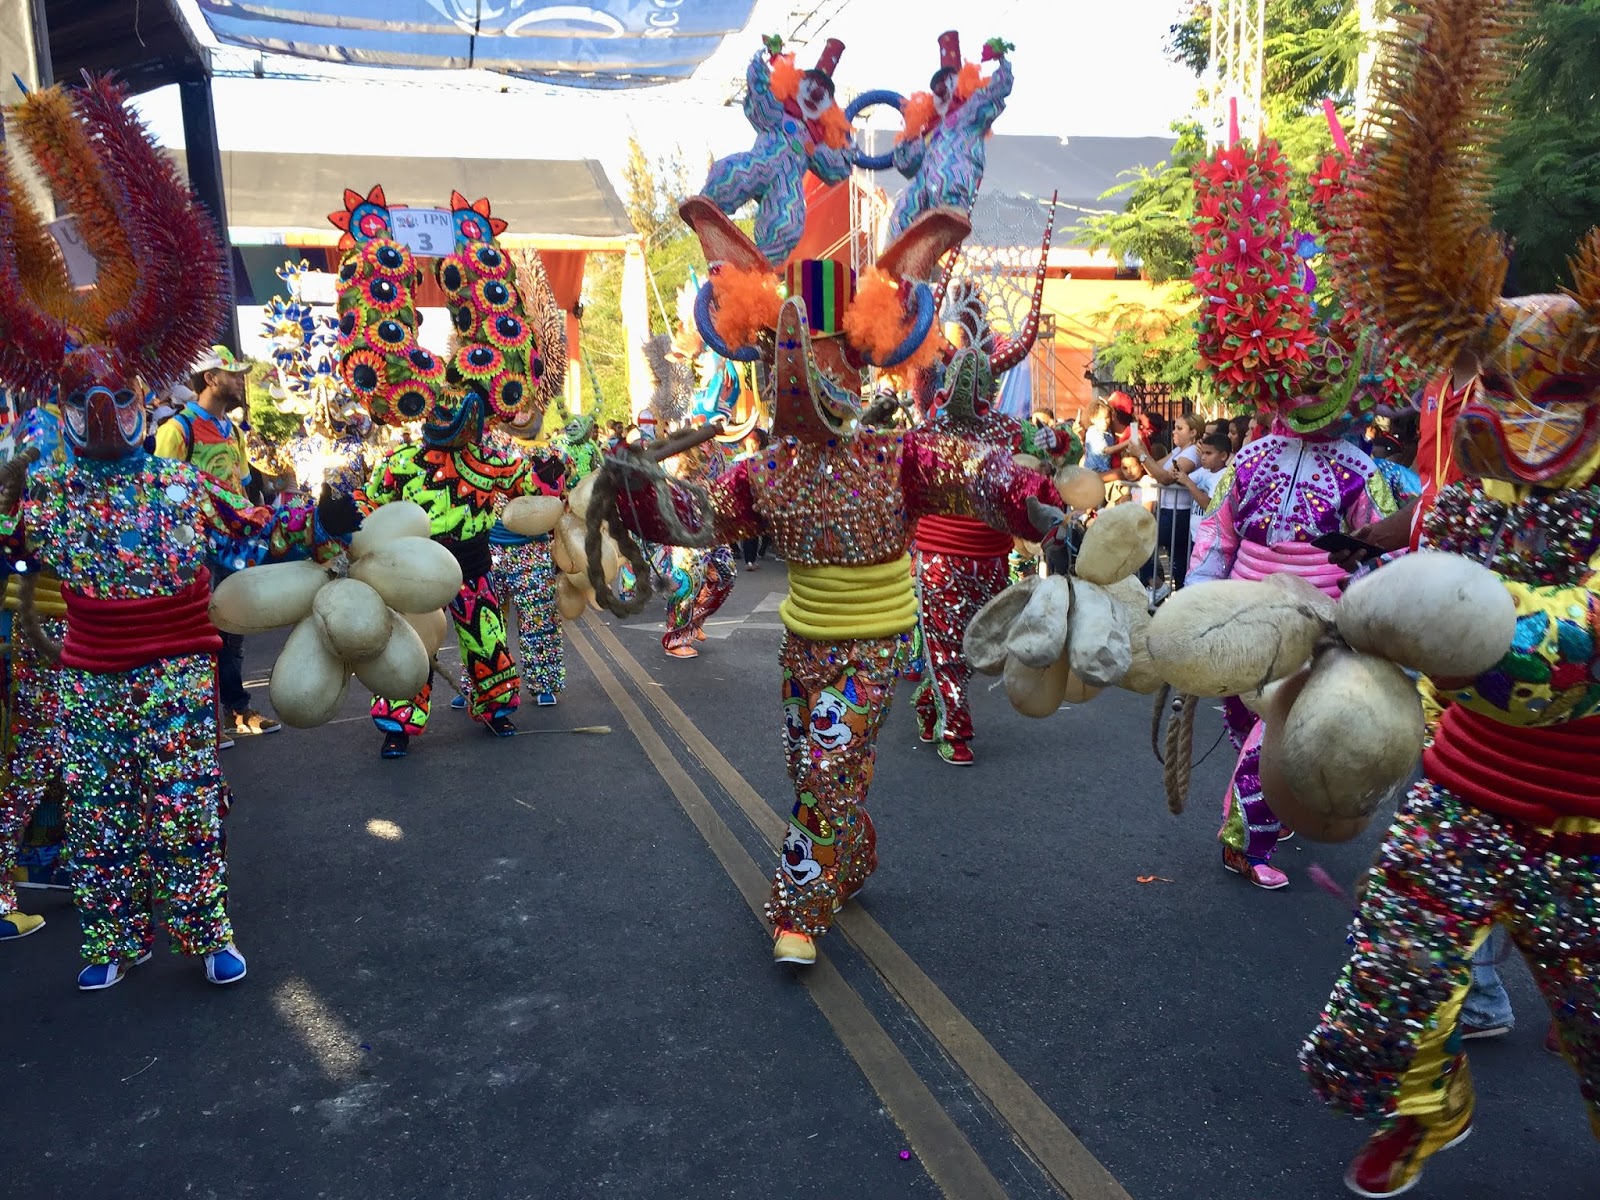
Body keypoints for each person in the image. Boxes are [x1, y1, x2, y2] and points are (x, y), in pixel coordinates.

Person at [594, 198, 1067, 967]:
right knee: (816, 768)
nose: (798, 375)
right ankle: (851, 855)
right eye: (788, 359)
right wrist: (636, 489)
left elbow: (973, 471)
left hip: (873, 645)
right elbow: (702, 517)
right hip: (803, 642)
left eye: (815, 356)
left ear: (853, 359)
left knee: (825, 764)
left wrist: (1027, 497)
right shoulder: (764, 470)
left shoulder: (896, 458)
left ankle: (796, 911)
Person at [0, 75, 357, 987]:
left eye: (117, 394)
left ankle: (207, 933)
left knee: (187, 803)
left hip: (169, 670)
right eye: (85, 399)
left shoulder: (176, 480)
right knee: (102, 811)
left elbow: (254, 527)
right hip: (88, 678)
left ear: (146, 388)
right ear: (62, 404)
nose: (106, 412)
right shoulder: (41, 489)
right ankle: (116, 943)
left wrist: (319, 520)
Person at [331, 188, 567, 759]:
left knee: (486, 637)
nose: (450, 413)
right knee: (409, 646)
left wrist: (552, 477)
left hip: (473, 566)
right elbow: (365, 504)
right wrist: (340, 516)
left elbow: (528, 489)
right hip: (412, 573)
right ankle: (398, 726)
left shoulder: (490, 462)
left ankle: (497, 706)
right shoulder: (400, 465)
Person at [155, 346, 283, 741]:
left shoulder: (233, 432)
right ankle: (204, 718)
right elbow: (159, 493)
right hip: (193, 549)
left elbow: (244, 491)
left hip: (234, 548)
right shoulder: (177, 430)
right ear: (210, 378)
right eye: (233, 373)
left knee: (233, 629)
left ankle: (235, 712)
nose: (241, 380)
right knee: (199, 633)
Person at [701, 36, 852, 264]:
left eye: (822, 94)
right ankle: (712, 202)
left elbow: (837, 167)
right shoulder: (778, 111)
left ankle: (766, 257)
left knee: (788, 221)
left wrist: (841, 143)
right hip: (763, 162)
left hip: (787, 181)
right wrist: (762, 63)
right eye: (810, 86)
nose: (815, 94)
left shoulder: (817, 140)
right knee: (736, 173)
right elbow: (760, 96)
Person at [888, 32, 1013, 238]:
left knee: (947, 177)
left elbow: (999, 89)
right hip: (925, 189)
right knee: (903, 210)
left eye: (949, 83)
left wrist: (1001, 61)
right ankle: (899, 247)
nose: (943, 91)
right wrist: (908, 135)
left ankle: (951, 208)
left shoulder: (970, 111)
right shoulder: (929, 133)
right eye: (938, 88)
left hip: (952, 186)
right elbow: (906, 163)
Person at [1129, 412, 1202, 591]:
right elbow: (1155, 468)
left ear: (1193, 432)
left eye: (1179, 428)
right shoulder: (1179, 450)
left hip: (1179, 513)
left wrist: (1142, 456)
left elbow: (1164, 478)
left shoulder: (1192, 453)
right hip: (1169, 511)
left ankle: (1157, 584)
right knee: (1178, 564)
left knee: (1139, 540)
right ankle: (1167, 592)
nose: (1174, 432)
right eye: (1174, 428)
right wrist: (1143, 452)